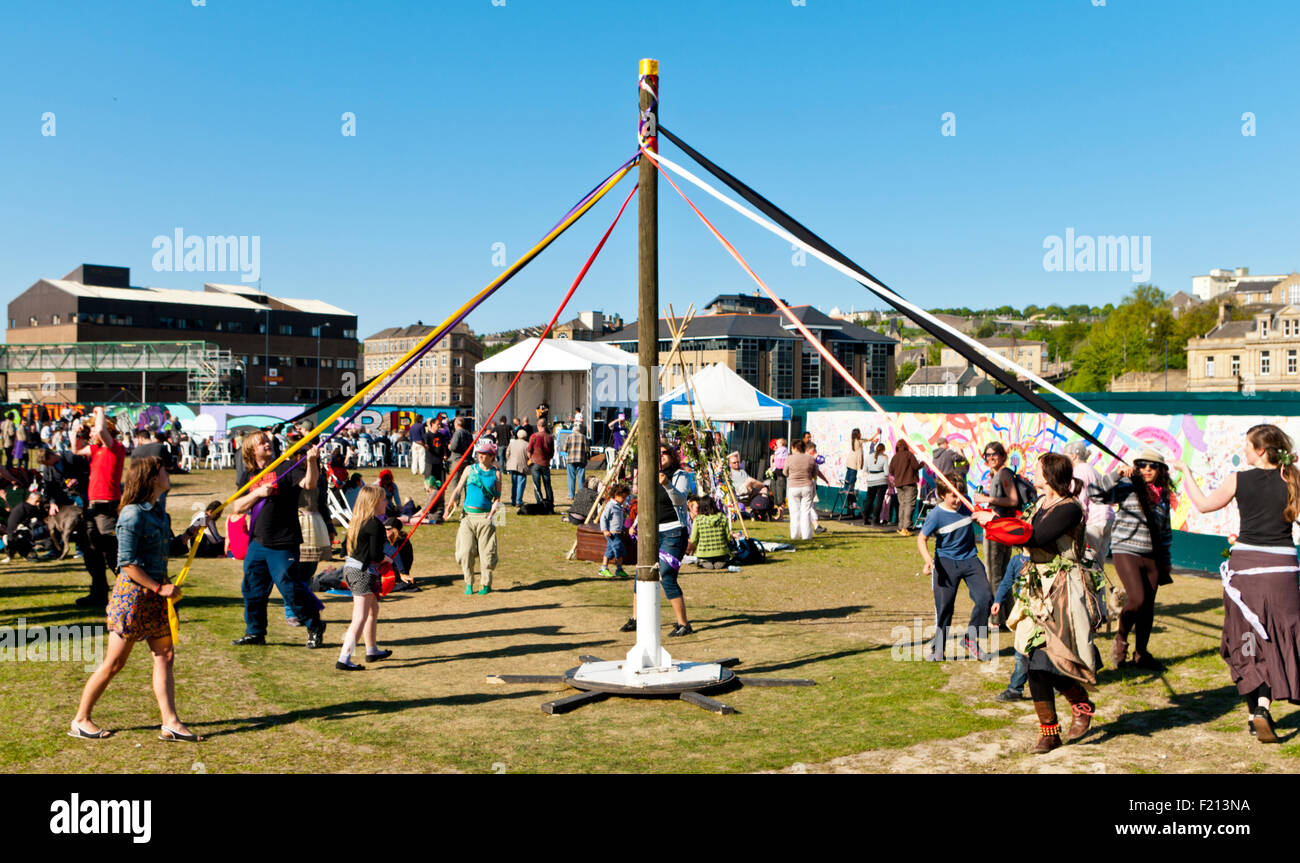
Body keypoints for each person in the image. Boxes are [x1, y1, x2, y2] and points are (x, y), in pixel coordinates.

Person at [1172, 424, 1300, 742]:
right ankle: (1261, 708)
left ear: (1260, 450)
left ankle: (1255, 708)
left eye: (1246, 445)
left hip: (1245, 570)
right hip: (1282, 569)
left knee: (1247, 638)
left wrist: (1186, 470)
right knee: (1276, 635)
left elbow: (1202, 505)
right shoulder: (1294, 478)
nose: (1243, 451)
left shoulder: (1239, 479)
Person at [70, 456, 201, 742]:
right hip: (133, 596)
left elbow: (169, 548)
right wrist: (158, 588)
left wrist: (192, 531)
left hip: (154, 596)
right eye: (165, 470)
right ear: (153, 478)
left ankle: (170, 722)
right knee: (114, 663)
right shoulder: (132, 514)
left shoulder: (159, 514)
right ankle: (80, 720)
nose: (169, 474)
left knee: (164, 656)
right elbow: (126, 562)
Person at [996, 452, 1099, 753]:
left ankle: (1078, 702)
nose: (1033, 473)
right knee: (1034, 661)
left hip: (1063, 591)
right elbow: (1023, 529)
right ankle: (1051, 730)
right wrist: (992, 520)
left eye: (1038, 469)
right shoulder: (1039, 504)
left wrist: (997, 524)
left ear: (1051, 474)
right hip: (1035, 588)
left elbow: (1037, 537)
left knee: (1051, 658)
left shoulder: (1069, 509)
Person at [228, 433, 326, 649]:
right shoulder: (250, 476)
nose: (267, 444)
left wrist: (311, 461)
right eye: (261, 443)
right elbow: (237, 507)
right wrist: (259, 493)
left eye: (267, 441)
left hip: (283, 541)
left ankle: (314, 624)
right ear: (251, 451)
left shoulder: (286, 467)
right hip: (258, 542)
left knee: (289, 587)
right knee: (252, 589)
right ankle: (255, 632)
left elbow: (309, 484)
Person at [1090, 448, 1174, 670]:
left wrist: (1166, 558)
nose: (1147, 469)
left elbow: (1165, 529)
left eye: (1152, 466)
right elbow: (1094, 494)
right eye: (1142, 465)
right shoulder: (1127, 486)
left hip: (1152, 555)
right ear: (1136, 467)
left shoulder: (1163, 494)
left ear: (1160, 470)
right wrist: (1116, 474)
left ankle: (1141, 654)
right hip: (1126, 550)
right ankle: (1120, 639)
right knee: (1137, 600)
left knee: (1148, 606)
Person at [917, 473, 993, 660]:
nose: (957, 499)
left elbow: (983, 517)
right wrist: (928, 560)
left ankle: (971, 640)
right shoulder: (936, 515)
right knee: (945, 607)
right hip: (946, 562)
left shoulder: (966, 504)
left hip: (970, 559)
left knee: (985, 598)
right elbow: (922, 538)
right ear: (943, 494)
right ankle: (939, 647)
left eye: (960, 494)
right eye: (953, 495)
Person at [619, 448, 693, 637]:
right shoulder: (649, 475)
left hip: (674, 532)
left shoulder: (680, 476)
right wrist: (636, 523)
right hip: (652, 532)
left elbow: (680, 501)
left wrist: (667, 484)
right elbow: (645, 502)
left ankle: (683, 623)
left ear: (673, 456)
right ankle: (636, 619)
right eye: (658, 453)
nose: (661, 456)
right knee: (641, 572)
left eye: (665, 452)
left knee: (667, 575)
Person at [335, 486, 393, 670]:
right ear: (374, 502)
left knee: (372, 610)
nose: (386, 502)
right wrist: (387, 559)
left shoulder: (357, 521)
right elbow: (376, 554)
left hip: (350, 570)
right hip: (362, 573)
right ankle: (344, 658)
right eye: (384, 499)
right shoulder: (375, 524)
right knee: (359, 616)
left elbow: (345, 549)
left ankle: (372, 650)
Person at [75, 407, 126, 608]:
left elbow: (102, 431)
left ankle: (130, 591)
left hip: (106, 506)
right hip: (93, 506)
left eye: (93, 430)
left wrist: (100, 413)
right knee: (91, 550)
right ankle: (98, 593)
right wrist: (76, 432)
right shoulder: (96, 449)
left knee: (110, 551)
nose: (91, 433)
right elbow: (76, 450)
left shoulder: (115, 447)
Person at [449, 438, 502, 594]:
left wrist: (492, 514)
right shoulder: (469, 469)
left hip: (485, 517)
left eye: (484, 453)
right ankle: (469, 582)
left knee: (487, 554)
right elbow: (458, 489)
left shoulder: (496, 473)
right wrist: (450, 505)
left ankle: (486, 584)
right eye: (479, 453)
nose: (481, 456)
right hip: (467, 517)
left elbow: (498, 498)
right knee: (465, 551)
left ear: (492, 456)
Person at [972, 441, 1019, 603]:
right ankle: (1006, 614)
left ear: (1002, 456)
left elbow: (1013, 500)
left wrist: (987, 499)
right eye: (988, 455)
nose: (991, 457)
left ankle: (996, 617)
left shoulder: (1004, 473)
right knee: (1002, 573)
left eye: (994, 454)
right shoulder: (996, 473)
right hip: (1001, 526)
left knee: (993, 574)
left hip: (998, 528)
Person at [1063, 440, 1113, 571]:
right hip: (1107, 518)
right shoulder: (1093, 470)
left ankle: (1090, 591)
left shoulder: (1079, 471)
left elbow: (1080, 500)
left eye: (1066, 455)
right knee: (1099, 563)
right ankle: (1099, 591)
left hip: (1094, 521)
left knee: (1088, 563)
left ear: (1074, 456)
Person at [785, 439, 818, 541]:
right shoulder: (810, 458)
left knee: (794, 512)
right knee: (806, 512)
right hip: (807, 486)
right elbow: (815, 474)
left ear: (794, 448)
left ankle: (795, 535)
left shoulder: (790, 459)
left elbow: (785, 472)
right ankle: (806, 535)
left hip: (793, 487)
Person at [687, 495, 732, 569]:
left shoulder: (698, 520)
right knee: (720, 563)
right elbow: (728, 537)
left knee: (705, 562)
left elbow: (693, 539)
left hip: (703, 553)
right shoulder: (722, 517)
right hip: (722, 553)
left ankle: (706, 562)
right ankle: (719, 563)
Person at [889, 439, 921, 536]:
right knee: (909, 505)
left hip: (899, 484)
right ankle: (906, 527)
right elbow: (915, 466)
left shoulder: (895, 457)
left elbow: (891, 471)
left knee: (902, 505)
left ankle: (900, 526)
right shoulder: (909, 455)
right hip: (909, 483)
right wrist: (922, 464)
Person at [599, 482, 631, 578]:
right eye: (623, 498)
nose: (624, 500)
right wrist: (604, 530)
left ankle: (604, 568)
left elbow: (618, 520)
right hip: (611, 534)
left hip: (617, 532)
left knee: (609, 551)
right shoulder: (610, 506)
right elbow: (603, 518)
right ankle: (619, 569)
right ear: (616, 495)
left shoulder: (619, 506)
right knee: (619, 550)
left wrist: (624, 528)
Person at [527, 420, 555, 511]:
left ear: (538, 426)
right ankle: (550, 502)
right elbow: (552, 452)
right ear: (545, 426)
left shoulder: (534, 436)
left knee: (537, 484)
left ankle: (540, 502)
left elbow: (529, 450)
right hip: (545, 463)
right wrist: (548, 459)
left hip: (535, 463)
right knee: (548, 484)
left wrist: (530, 458)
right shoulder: (550, 437)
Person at [861, 442, 889, 526]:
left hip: (871, 480)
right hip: (881, 481)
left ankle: (865, 518)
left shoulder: (868, 457)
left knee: (869, 499)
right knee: (879, 500)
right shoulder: (884, 458)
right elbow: (887, 473)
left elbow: (865, 470)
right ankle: (875, 519)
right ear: (883, 450)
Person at [565, 423, 589, 500]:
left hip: (570, 460)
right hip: (581, 459)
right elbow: (587, 450)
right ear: (579, 430)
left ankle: (571, 495)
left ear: (573, 430)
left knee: (571, 478)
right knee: (581, 478)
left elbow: (564, 448)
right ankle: (581, 496)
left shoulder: (569, 437)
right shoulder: (584, 437)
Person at [505, 428, 529, 506]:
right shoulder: (527, 444)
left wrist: (510, 460)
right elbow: (529, 456)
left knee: (514, 484)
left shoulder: (512, 443)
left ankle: (513, 500)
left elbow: (507, 453)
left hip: (512, 465)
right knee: (520, 484)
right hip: (522, 465)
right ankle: (518, 501)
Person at [770, 438, 789, 520]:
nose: (775, 448)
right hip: (775, 475)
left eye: (775, 446)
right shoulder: (776, 455)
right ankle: (779, 513)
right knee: (776, 495)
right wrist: (771, 460)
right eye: (773, 448)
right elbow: (772, 467)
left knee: (780, 495)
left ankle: (780, 515)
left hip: (780, 476)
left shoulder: (783, 452)